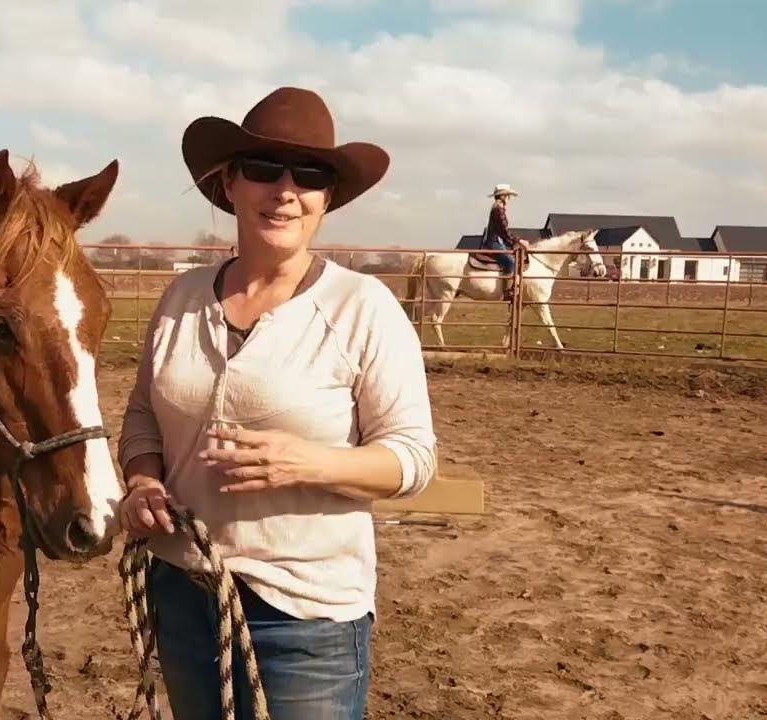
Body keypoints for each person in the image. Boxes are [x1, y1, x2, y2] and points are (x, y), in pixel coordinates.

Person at [117, 86, 438, 720]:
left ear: (326, 199)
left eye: (310, 175)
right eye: (264, 169)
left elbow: (412, 458)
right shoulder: (181, 298)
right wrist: (141, 480)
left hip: (306, 616)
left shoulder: (363, 308)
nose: (285, 190)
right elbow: (142, 415)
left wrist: (311, 464)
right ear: (231, 182)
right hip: (183, 590)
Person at [482, 183, 532, 300]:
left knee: (513, 256)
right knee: (511, 262)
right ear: (504, 196)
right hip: (494, 243)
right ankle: (508, 292)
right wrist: (519, 241)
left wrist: (513, 242)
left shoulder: (498, 208)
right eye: (508, 196)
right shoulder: (498, 209)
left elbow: (503, 232)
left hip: (497, 241)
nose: (510, 199)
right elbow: (504, 230)